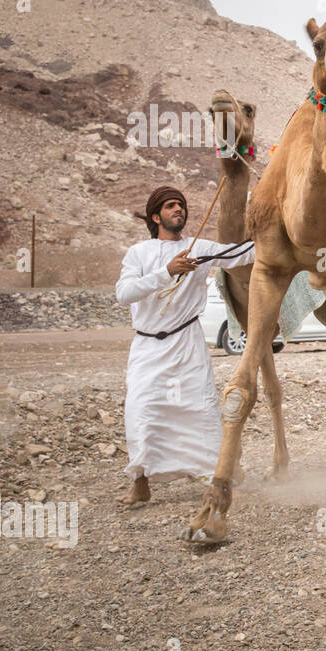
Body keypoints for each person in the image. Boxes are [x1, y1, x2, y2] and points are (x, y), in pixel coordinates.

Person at [115, 186, 256, 505]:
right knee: (141, 409)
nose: (178, 209)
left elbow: (242, 253)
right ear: (155, 216)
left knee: (201, 409)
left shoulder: (199, 248)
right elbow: (124, 293)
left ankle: (221, 472)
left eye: (180, 205)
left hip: (187, 343)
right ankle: (140, 480)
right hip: (148, 346)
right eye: (170, 206)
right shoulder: (139, 253)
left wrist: (274, 230)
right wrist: (167, 272)